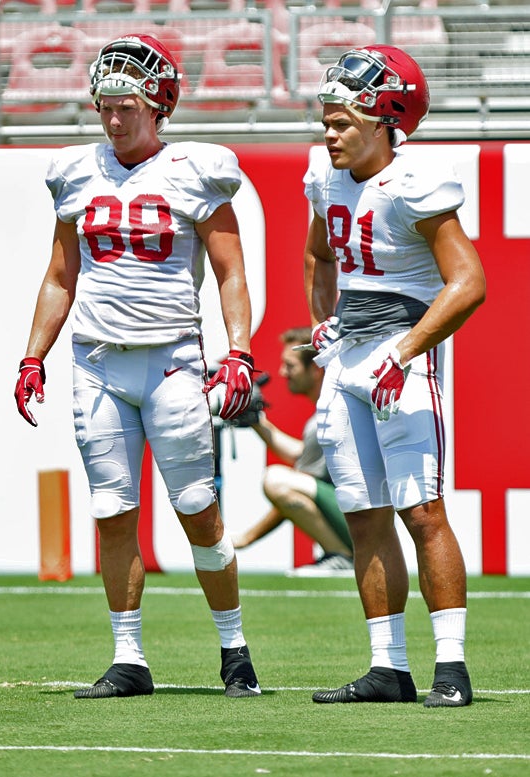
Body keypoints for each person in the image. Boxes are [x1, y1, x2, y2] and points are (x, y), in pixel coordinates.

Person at [14, 34, 262, 700]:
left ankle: (234, 648)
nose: (114, 119)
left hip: (174, 360)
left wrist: (237, 350)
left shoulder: (194, 168)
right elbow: (60, 274)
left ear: (158, 105)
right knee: (112, 509)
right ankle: (129, 656)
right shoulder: (75, 171)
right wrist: (32, 353)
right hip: (96, 360)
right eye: (105, 106)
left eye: (126, 106)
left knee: (196, 508)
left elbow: (232, 272)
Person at [303, 46, 485, 707]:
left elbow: (469, 282)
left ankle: (453, 669)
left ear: (384, 119)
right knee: (364, 514)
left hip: (397, 363)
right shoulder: (324, 179)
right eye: (325, 120)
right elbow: (318, 253)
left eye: (342, 120)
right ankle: (388, 665)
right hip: (349, 359)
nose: (328, 132)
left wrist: (405, 351)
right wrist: (322, 320)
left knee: (423, 510)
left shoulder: (414, 182)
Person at [231, 326, 354, 576]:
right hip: (364, 519)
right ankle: (342, 554)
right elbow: (303, 456)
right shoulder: (335, 406)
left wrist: (246, 538)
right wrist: (256, 420)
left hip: (360, 523)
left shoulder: (329, 416)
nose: (282, 372)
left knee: (276, 479)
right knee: (283, 479)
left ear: (316, 368)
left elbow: (294, 484)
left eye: (290, 365)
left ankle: (341, 556)